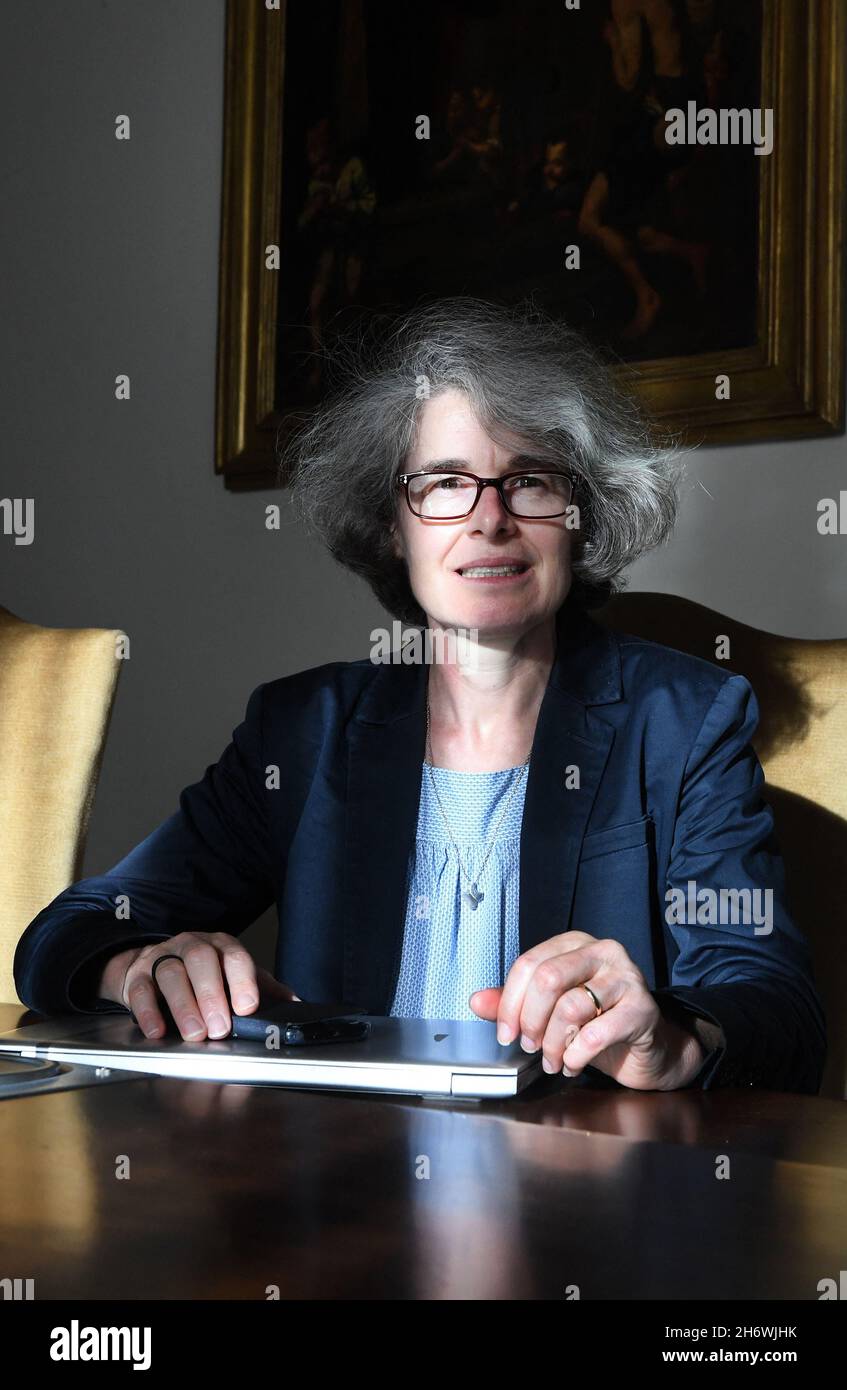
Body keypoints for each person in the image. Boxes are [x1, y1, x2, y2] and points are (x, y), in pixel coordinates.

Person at [14, 298, 826, 1093]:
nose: (489, 520)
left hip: (585, 1193)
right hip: (338, 1193)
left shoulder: (684, 721)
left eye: (531, 481)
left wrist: (674, 1039)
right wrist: (140, 965)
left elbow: (774, 1006)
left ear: (581, 517)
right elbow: (63, 934)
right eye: (443, 484)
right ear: (391, 525)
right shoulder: (302, 733)